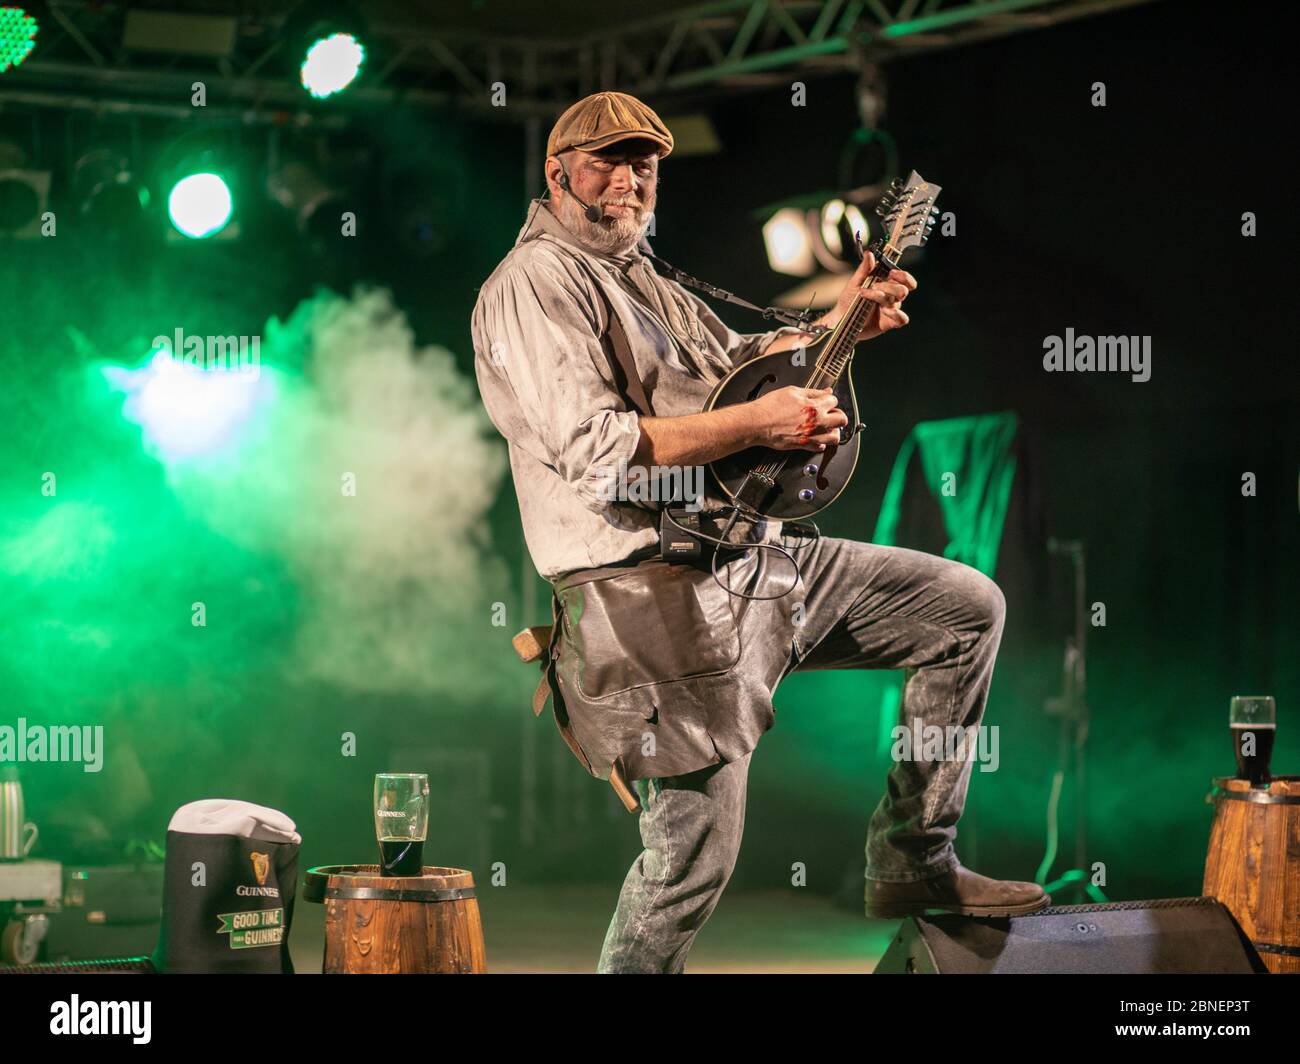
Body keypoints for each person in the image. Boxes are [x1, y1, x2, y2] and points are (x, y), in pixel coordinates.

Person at [471, 90, 1048, 974]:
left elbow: (742, 380)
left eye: (645, 165)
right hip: (647, 592)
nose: (630, 181)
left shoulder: (650, 280)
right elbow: (602, 454)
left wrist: (844, 319)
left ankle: (912, 856)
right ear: (557, 173)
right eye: (609, 162)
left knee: (964, 609)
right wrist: (763, 426)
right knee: (692, 858)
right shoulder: (532, 285)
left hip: (751, 558)